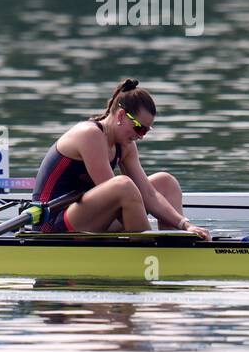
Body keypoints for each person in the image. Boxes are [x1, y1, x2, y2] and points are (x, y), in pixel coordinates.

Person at [31, 78, 210, 239]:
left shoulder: (126, 146)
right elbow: (117, 193)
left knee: (165, 183)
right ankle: (147, 251)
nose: (141, 136)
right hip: (52, 222)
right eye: (139, 128)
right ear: (122, 116)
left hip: (88, 215)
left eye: (147, 131)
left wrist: (185, 224)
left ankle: (176, 246)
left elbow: (148, 194)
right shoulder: (89, 135)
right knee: (123, 186)